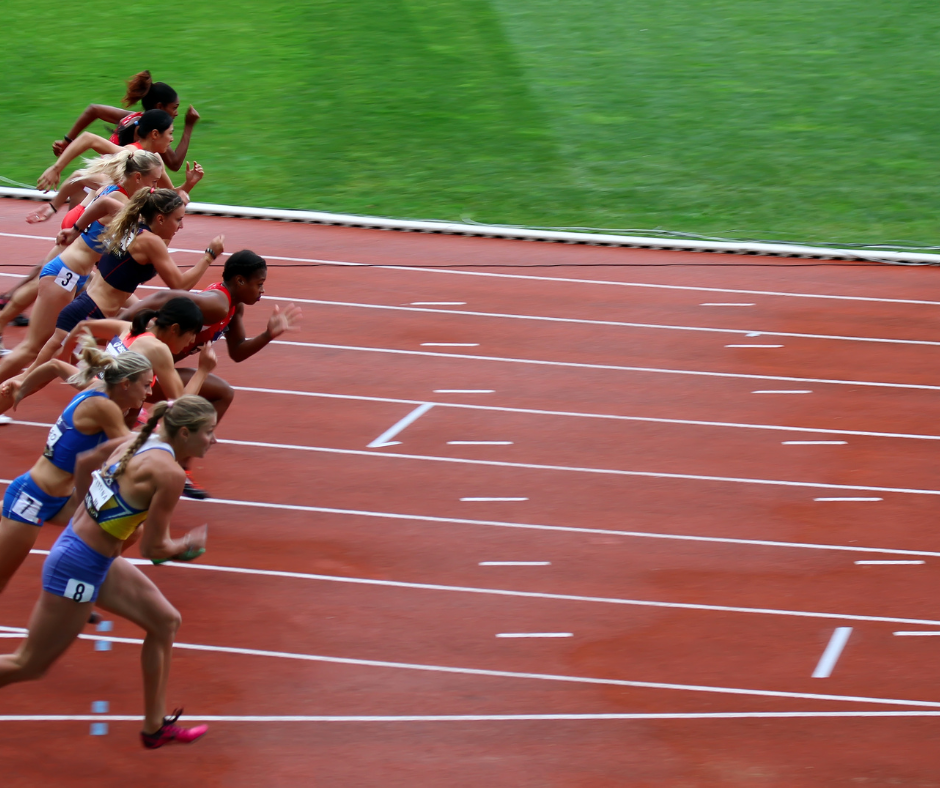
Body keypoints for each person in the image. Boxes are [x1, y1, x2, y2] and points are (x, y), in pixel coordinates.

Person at [0, 395, 216, 748]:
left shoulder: (135, 440)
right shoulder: (170, 474)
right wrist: (186, 545)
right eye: (209, 432)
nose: (214, 440)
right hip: (78, 567)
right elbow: (154, 550)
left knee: (165, 622)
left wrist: (89, 510)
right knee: (29, 664)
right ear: (185, 433)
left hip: (88, 556)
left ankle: (154, 727)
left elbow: (85, 461)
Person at [0, 336, 153, 595]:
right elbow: (128, 451)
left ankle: (81, 581)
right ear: (126, 384)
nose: (149, 393)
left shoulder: (96, 386)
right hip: (33, 496)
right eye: (147, 385)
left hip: (64, 500)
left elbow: (54, 366)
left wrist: (22, 386)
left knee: (131, 528)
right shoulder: (103, 407)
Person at [0, 150, 166, 386]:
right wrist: (70, 225)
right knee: (33, 347)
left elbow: (82, 185)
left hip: (76, 276)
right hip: (65, 274)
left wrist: (73, 229)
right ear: (138, 177)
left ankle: (95, 386)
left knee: (64, 343)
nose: (155, 188)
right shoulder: (120, 201)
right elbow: (149, 225)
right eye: (154, 182)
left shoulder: (110, 187)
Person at [24, 188, 223, 381]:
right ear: (160, 219)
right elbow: (179, 285)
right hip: (90, 312)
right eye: (178, 220)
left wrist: (75, 230)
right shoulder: (150, 242)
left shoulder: (133, 223)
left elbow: (103, 204)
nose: (181, 226)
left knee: (46, 374)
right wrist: (209, 256)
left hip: (91, 309)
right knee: (33, 376)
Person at [52, 70, 199, 173]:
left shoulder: (133, 118)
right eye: (174, 108)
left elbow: (93, 109)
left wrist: (67, 141)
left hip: (99, 173)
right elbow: (174, 163)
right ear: (160, 107)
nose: (176, 113)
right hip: (108, 182)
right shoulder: (150, 131)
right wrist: (189, 125)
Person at [38, 110, 203, 196]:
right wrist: (56, 169)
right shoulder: (132, 153)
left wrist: (189, 184)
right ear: (154, 134)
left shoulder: (156, 160)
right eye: (170, 133)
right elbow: (88, 138)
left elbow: (171, 197)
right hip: (93, 220)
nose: (172, 139)